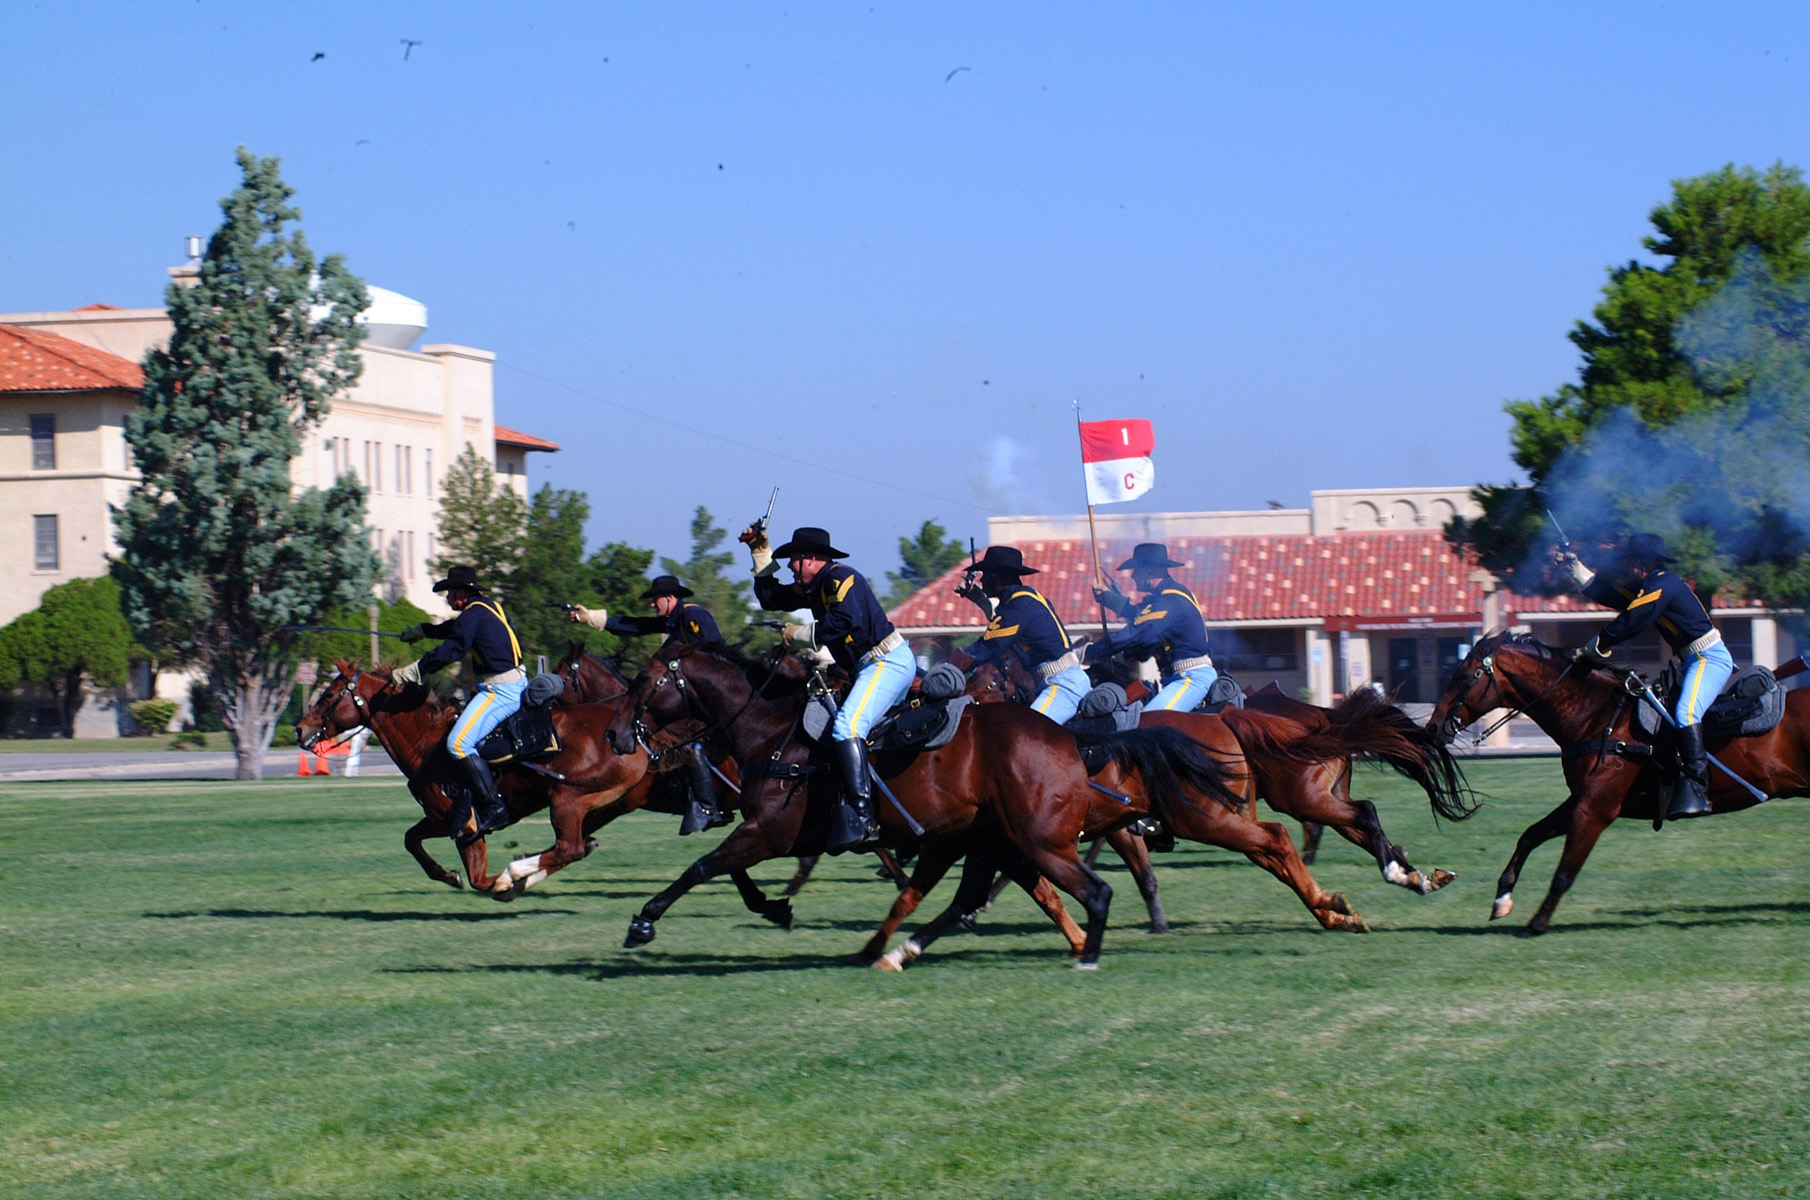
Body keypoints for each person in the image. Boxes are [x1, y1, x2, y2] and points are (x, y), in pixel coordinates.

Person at [742, 523, 912, 854]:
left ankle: (862, 817)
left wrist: (800, 634)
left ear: (812, 558)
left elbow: (847, 621)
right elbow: (770, 598)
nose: (790, 565)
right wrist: (759, 552)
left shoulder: (839, 577)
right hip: (868, 667)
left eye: (793, 559)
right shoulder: (816, 585)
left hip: (885, 662)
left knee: (846, 727)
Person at [1562, 531, 1732, 819]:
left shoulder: (1662, 585)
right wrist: (1577, 570)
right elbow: (1616, 597)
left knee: (1685, 715)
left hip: (1708, 658)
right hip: (1690, 661)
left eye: (1629, 561)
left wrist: (1596, 646)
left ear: (1642, 562)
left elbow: (1632, 620)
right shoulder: (1653, 585)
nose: (1626, 567)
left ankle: (1697, 789)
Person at [567, 576, 729, 834]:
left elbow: (713, 657)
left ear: (670, 598)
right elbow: (637, 626)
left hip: (710, 699)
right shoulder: (675, 619)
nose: (653, 605)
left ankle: (707, 806)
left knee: (691, 743)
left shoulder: (693, 617)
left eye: (655, 600)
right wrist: (592, 618)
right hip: (693, 696)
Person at [392, 565, 522, 841]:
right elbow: (455, 630)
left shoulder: (473, 614)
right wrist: (424, 631)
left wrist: (416, 669)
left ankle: (493, 807)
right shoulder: (488, 608)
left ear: (462, 594)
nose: (448, 598)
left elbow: (453, 648)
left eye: (450, 593)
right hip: (511, 683)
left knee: (458, 744)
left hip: (502, 691)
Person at [948, 545, 1091, 726]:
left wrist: (948, 671)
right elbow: (999, 622)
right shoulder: (1022, 600)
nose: (983, 580)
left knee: (1029, 733)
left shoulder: (1018, 605)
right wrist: (979, 597)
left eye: (989, 574)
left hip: (1062, 685)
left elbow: (988, 646)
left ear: (1004, 577)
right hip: (1053, 683)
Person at [1082, 542, 1217, 711]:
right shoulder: (1167, 597)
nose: (1132, 576)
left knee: (1149, 723)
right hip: (1177, 677)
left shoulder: (1168, 599)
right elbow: (1142, 617)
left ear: (1150, 571)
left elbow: (1139, 632)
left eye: (1136, 570)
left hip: (1191, 677)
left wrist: (1088, 652)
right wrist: (1110, 599)